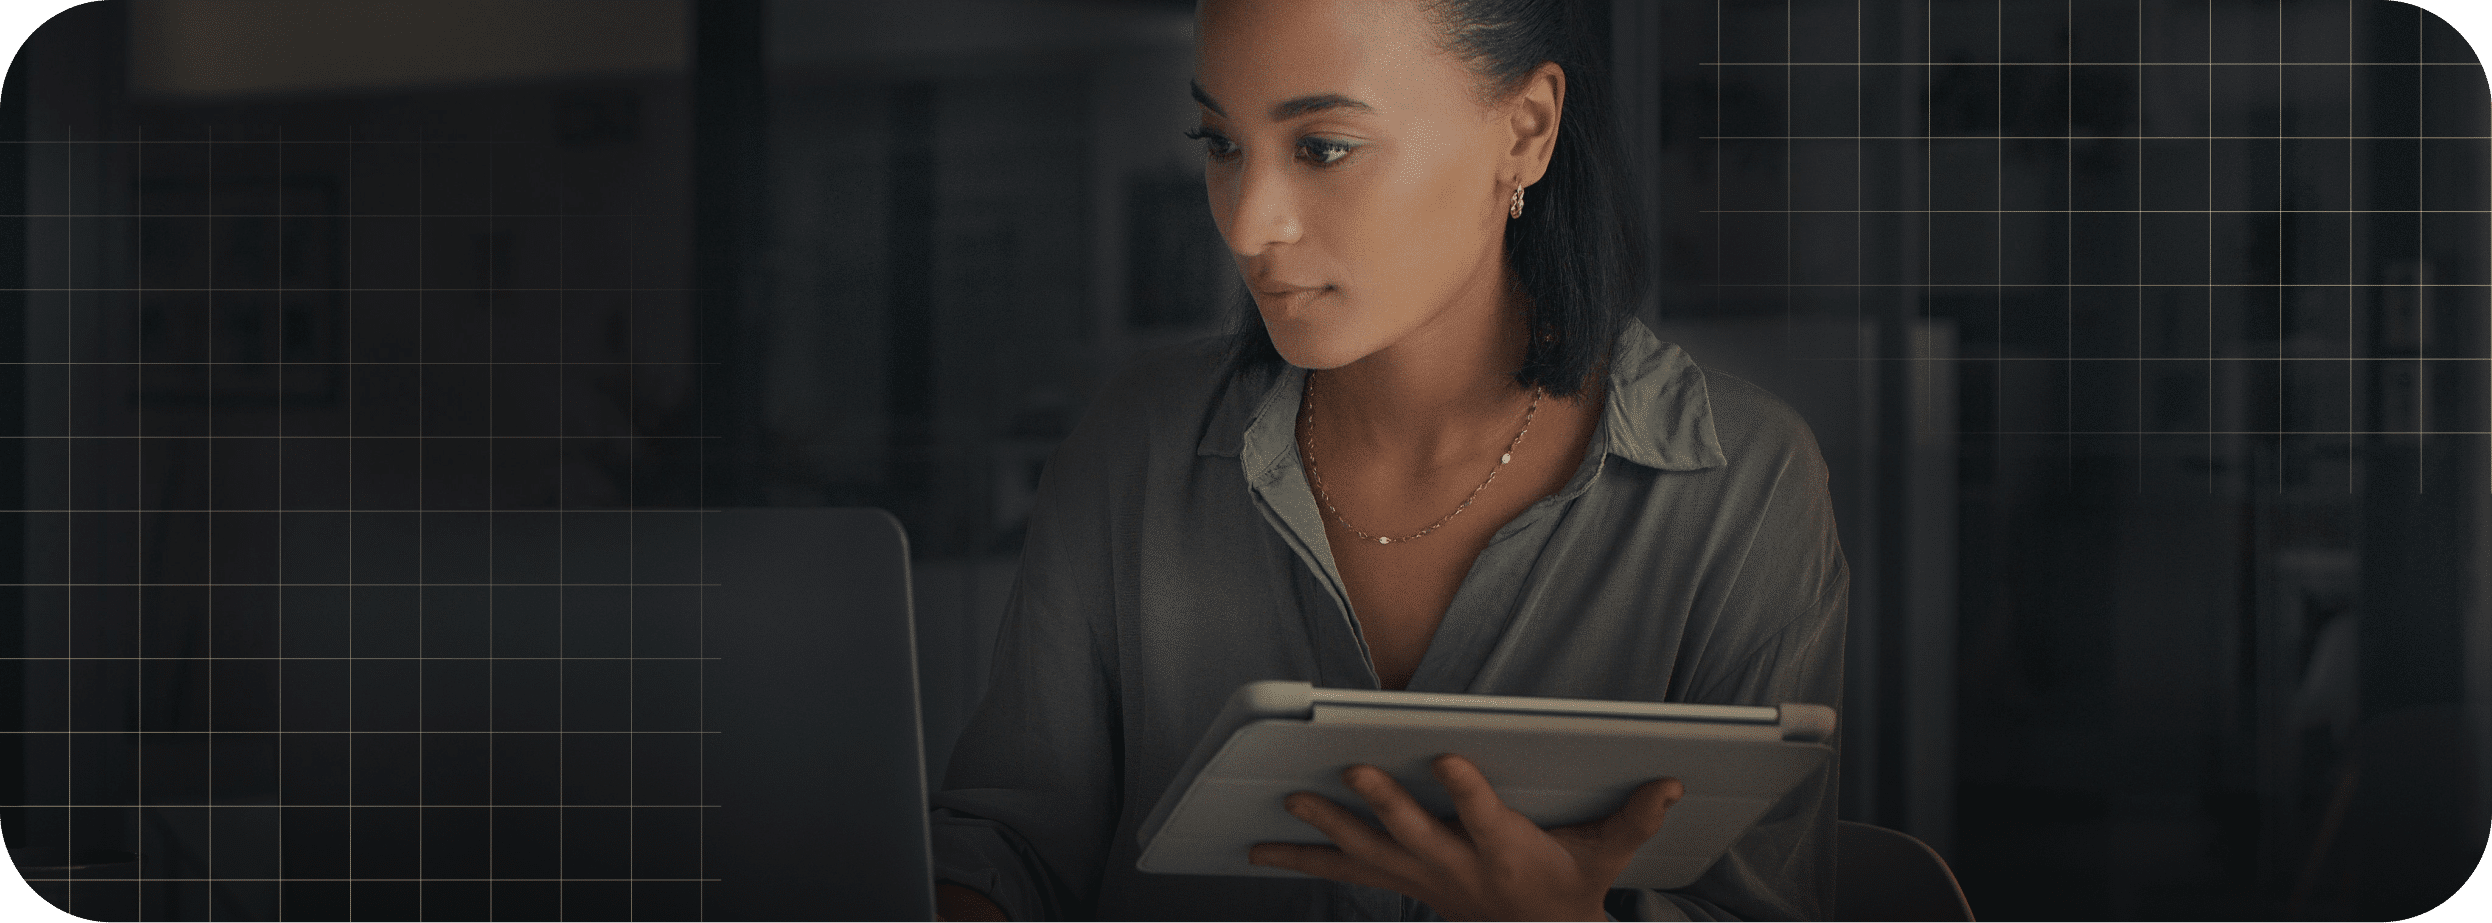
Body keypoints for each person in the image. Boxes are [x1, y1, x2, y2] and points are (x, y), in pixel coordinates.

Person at [930, 0, 1846, 919]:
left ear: (1525, 132)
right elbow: (1007, 850)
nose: (1249, 226)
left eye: (1323, 147)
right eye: (1219, 143)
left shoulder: (1740, 489)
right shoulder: (1133, 453)